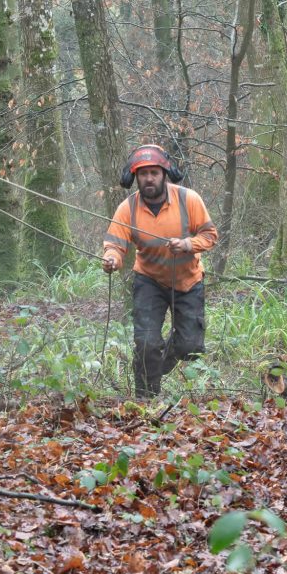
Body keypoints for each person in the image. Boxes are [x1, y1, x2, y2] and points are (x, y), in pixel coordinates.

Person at [102, 144, 218, 397]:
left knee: (191, 347)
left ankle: (157, 364)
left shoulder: (189, 200)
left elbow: (210, 236)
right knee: (146, 343)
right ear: (134, 178)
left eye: (154, 172)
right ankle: (145, 398)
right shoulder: (128, 208)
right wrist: (111, 259)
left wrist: (188, 244)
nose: (149, 178)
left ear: (165, 173)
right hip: (149, 281)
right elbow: (115, 245)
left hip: (188, 282)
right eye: (143, 174)